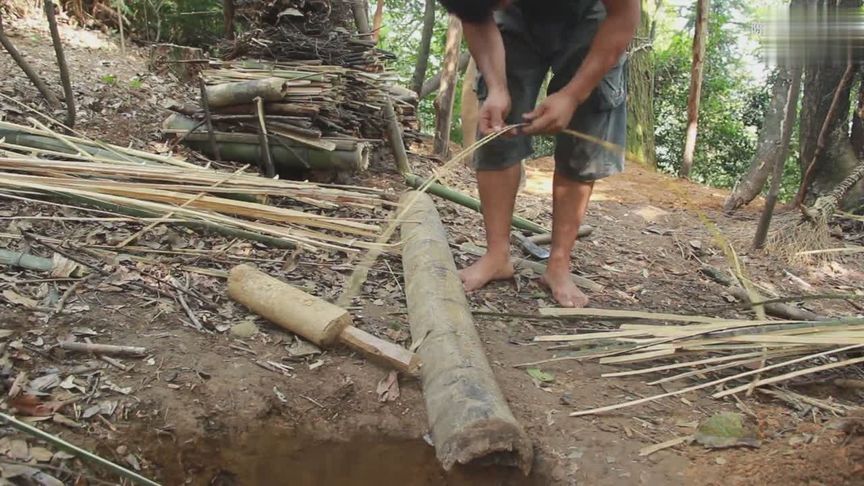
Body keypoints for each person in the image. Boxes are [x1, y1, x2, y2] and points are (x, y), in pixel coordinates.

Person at [436, 0, 639, 307]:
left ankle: (558, 265)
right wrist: (496, 87)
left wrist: (572, 95)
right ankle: (496, 256)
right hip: (517, 21)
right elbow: (475, 19)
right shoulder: (486, 8)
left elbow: (624, 16)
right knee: (497, 130)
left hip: (593, 13)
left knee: (585, 128)